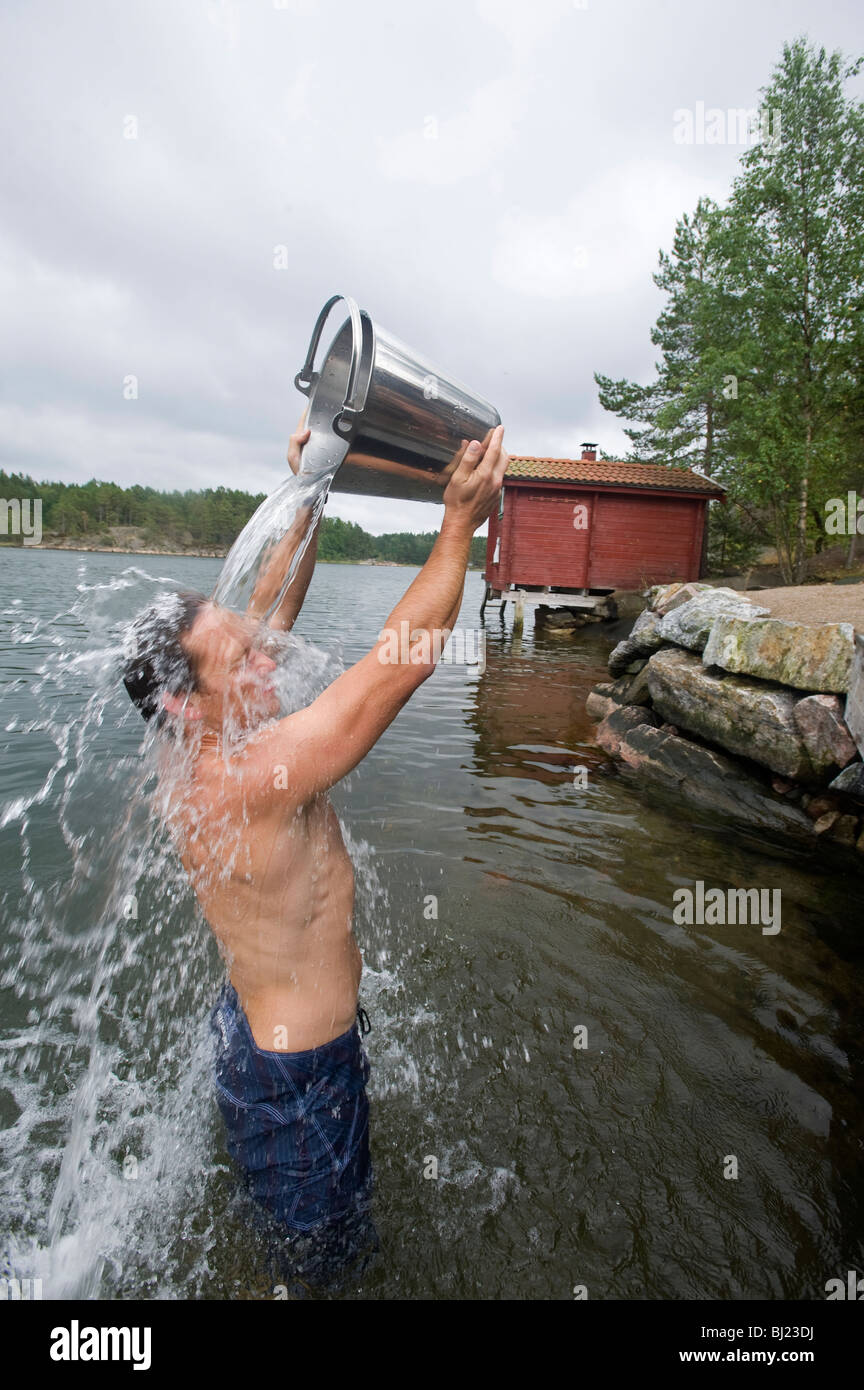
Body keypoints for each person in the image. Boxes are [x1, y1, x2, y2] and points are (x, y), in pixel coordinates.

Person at [122, 414, 510, 1287]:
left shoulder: (199, 730)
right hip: (298, 1086)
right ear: (189, 701)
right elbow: (392, 670)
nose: (269, 659)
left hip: (263, 1039)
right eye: (245, 662)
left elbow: (267, 611)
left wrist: (309, 491)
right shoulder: (241, 776)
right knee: (325, 1277)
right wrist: (457, 530)